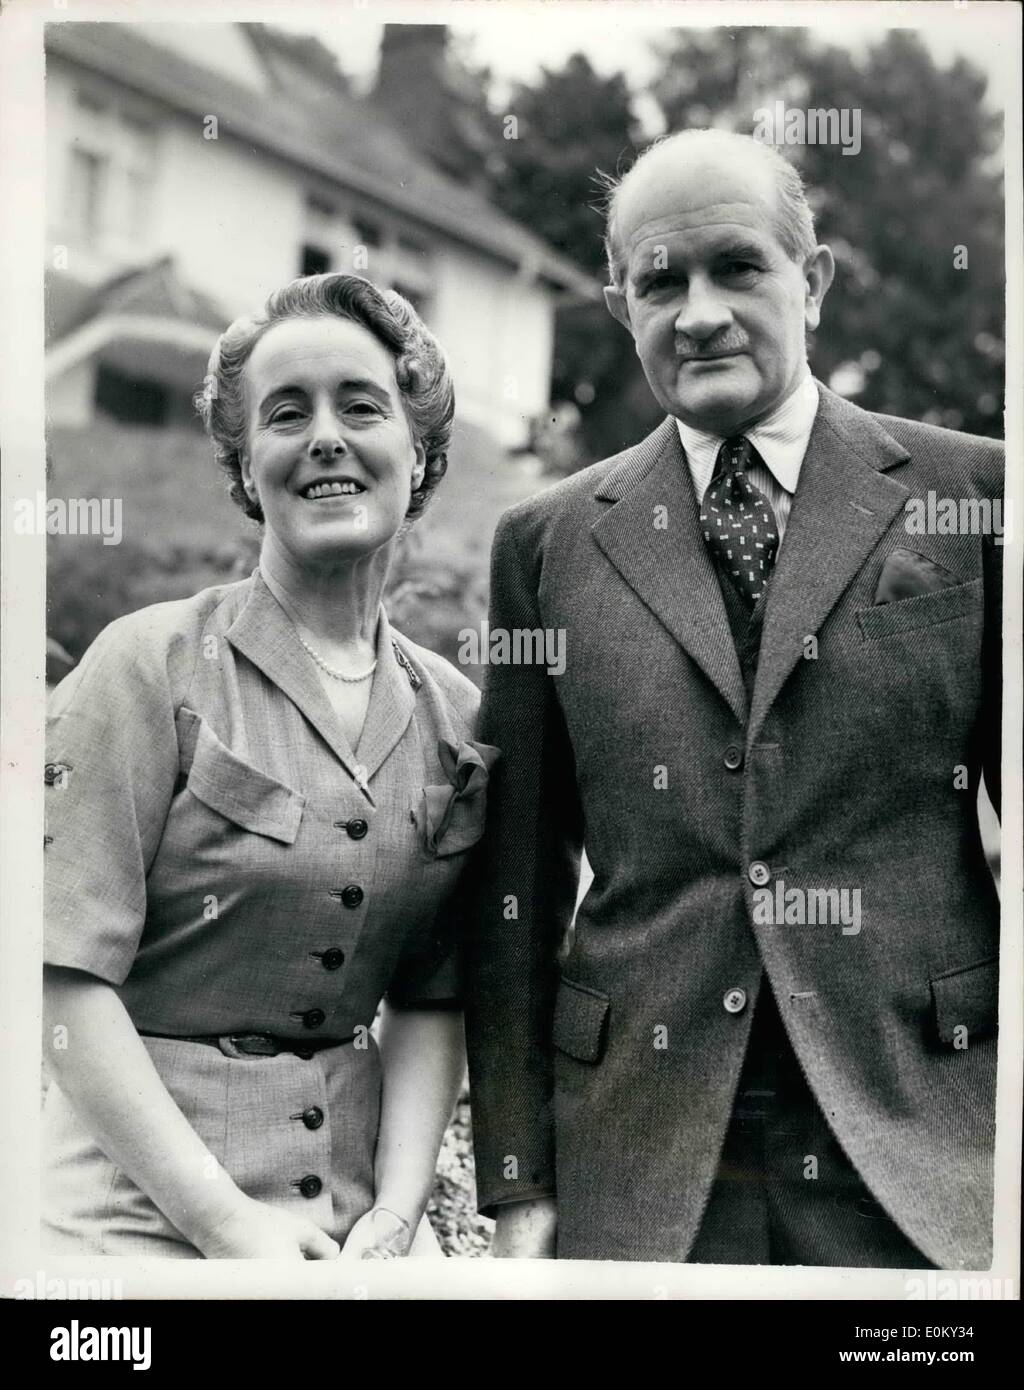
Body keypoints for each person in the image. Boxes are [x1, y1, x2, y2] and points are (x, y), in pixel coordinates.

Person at [464, 129, 1002, 1267]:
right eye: (658, 281)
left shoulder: (979, 495)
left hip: (927, 1141)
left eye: (736, 268)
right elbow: (512, 880)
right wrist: (516, 1180)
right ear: (620, 305)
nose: (696, 311)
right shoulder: (547, 545)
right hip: (643, 1162)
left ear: (813, 279)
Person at [43, 272, 497, 1259]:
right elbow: (59, 980)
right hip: (136, 1213)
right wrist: (221, 1220)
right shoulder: (147, 662)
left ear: (417, 455)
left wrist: (394, 1214)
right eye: (286, 414)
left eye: (361, 405)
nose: (325, 435)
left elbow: (429, 994)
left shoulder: (457, 721)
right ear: (247, 469)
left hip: (353, 1220)